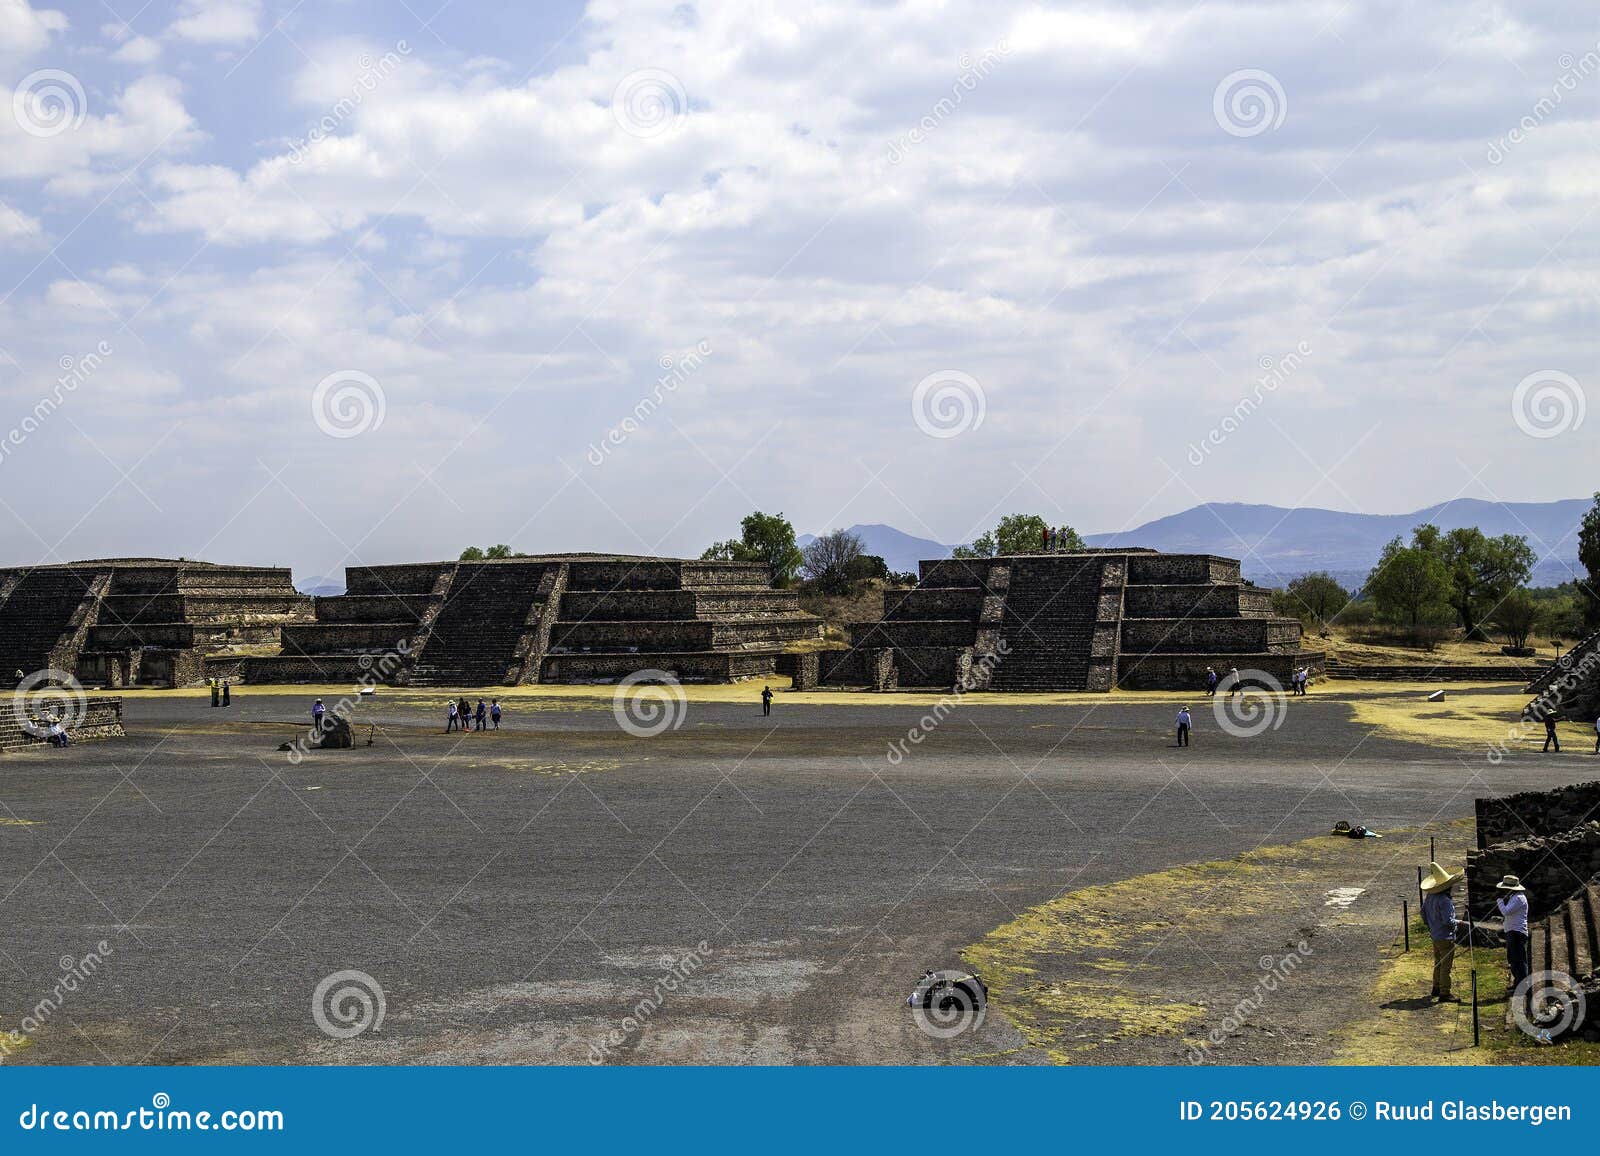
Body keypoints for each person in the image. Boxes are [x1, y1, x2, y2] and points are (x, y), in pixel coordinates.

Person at [1420, 861, 1463, 1002]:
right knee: (1446, 966)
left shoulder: (1430, 897)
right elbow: (1448, 921)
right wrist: (1455, 926)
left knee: (1438, 962)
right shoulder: (1445, 901)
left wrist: (1430, 925)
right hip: (1445, 936)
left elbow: (1423, 913)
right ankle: (1445, 992)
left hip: (1435, 935)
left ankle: (1436, 987)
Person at [1496, 874, 1531, 1002]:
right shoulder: (1514, 897)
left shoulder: (1519, 898)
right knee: (1513, 959)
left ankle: (1522, 986)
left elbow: (1505, 911)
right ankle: (1518, 984)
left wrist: (1499, 900)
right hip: (1512, 931)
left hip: (1517, 932)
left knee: (1520, 960)